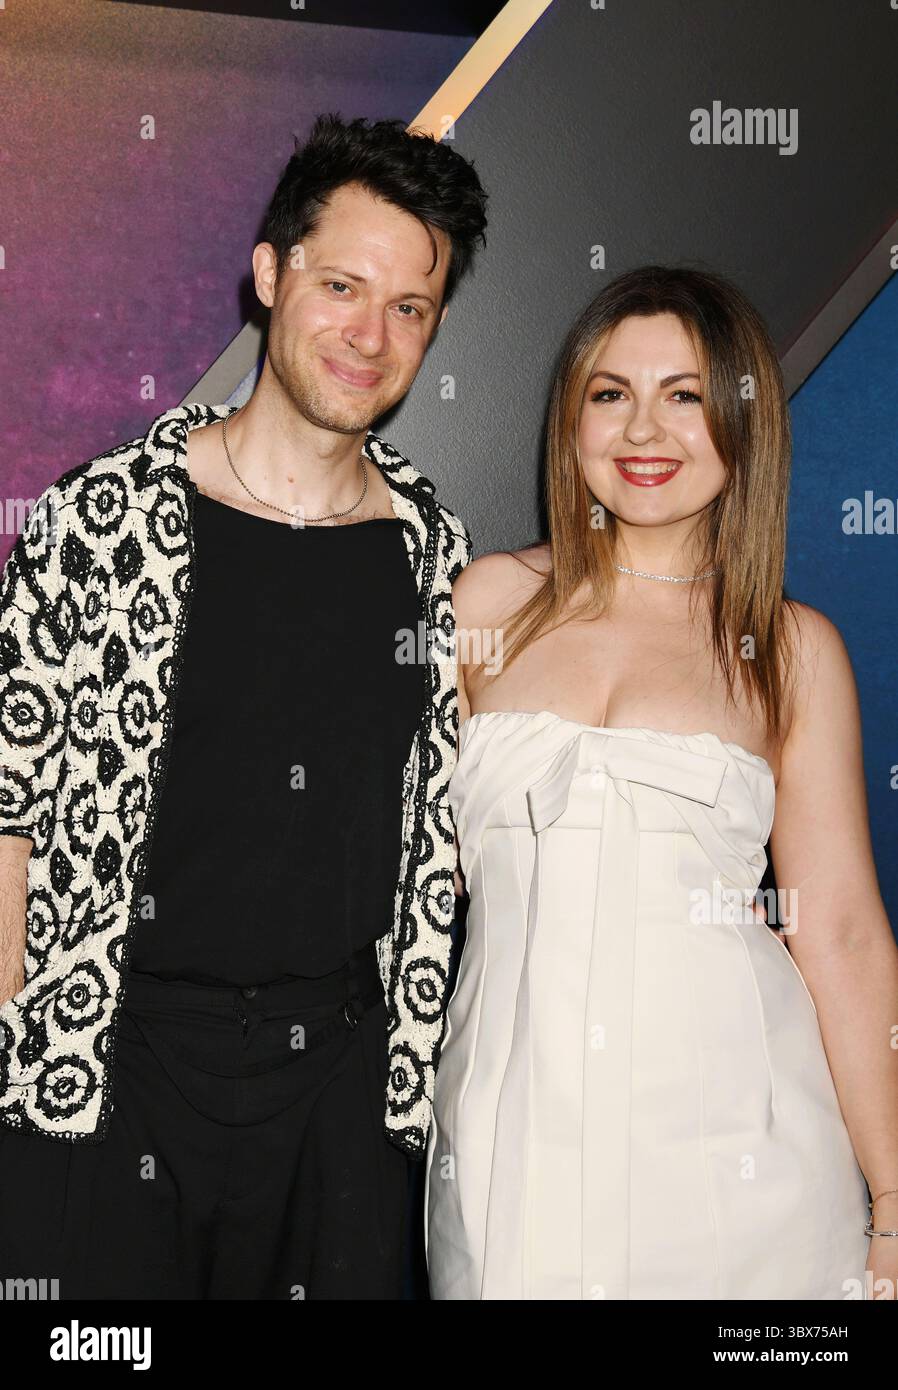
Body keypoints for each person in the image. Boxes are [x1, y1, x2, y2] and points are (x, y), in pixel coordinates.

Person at [0, 113, 486, 1299]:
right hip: (110, 1066)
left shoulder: (437, 555)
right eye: (339, 285)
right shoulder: (101, 523)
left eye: (409, 307)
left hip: (342, 1096)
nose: (369, 335)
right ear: (269, 275)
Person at [424, 265, 898, 1300]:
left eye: (685, 395)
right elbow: (410, 884)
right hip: (512, 1149)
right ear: (571, 418)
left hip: (741, 1158)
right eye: (611, 393)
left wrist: (895, 1201)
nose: (645, 431)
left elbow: (844, 932)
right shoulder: (486, 599)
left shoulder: (789, 648)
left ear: (741, 421)